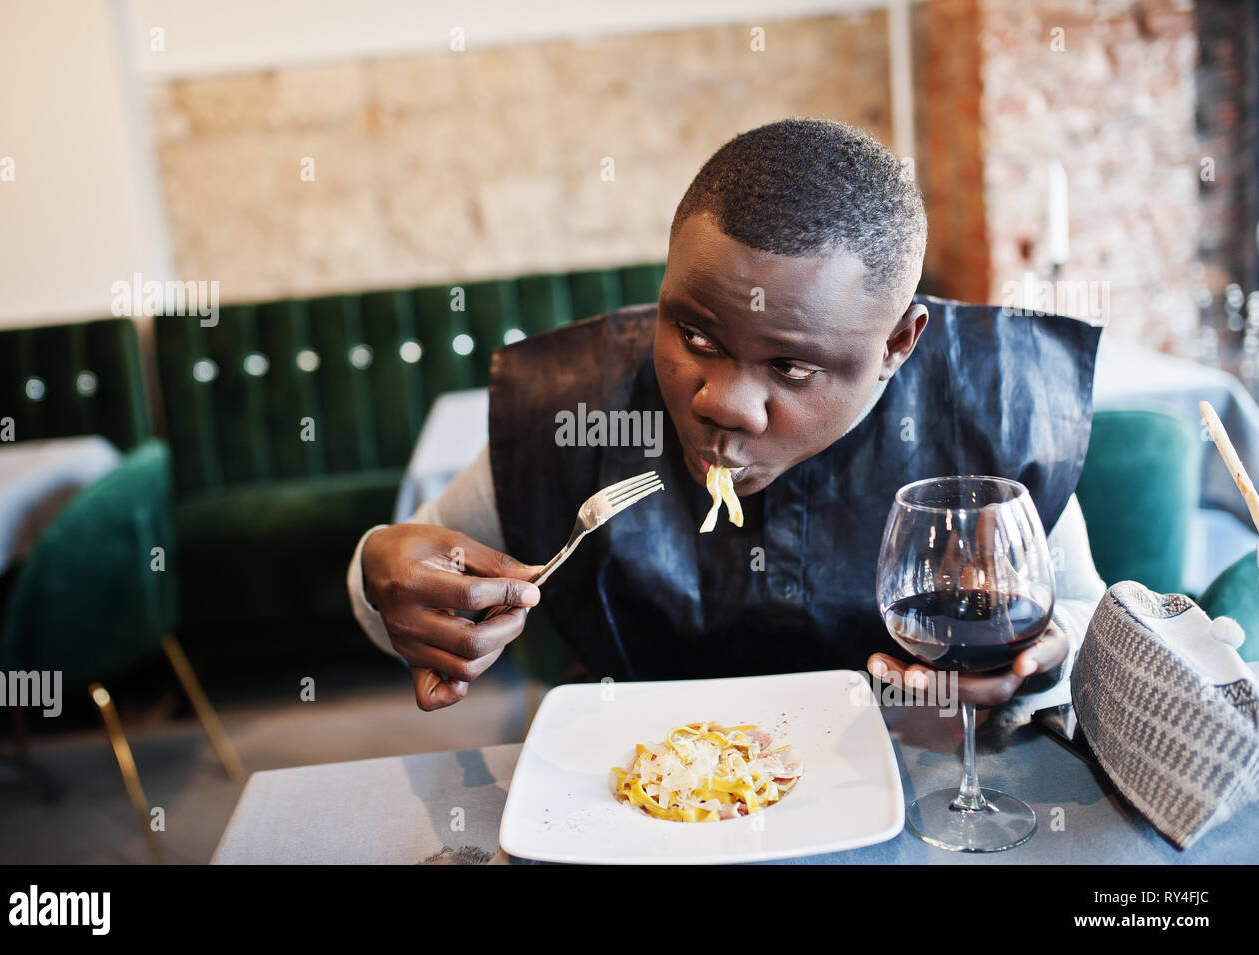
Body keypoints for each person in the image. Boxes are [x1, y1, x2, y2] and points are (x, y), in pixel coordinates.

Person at [349, 117, 1107, 713]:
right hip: (642, 799)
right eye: (696, 335)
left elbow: (1077, 617)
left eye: (790, 367)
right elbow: (395, 590)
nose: (721, 402)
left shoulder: (985, 404)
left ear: (897, 344)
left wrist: (1041, 662)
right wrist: (384, 573)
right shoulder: (574, 404)